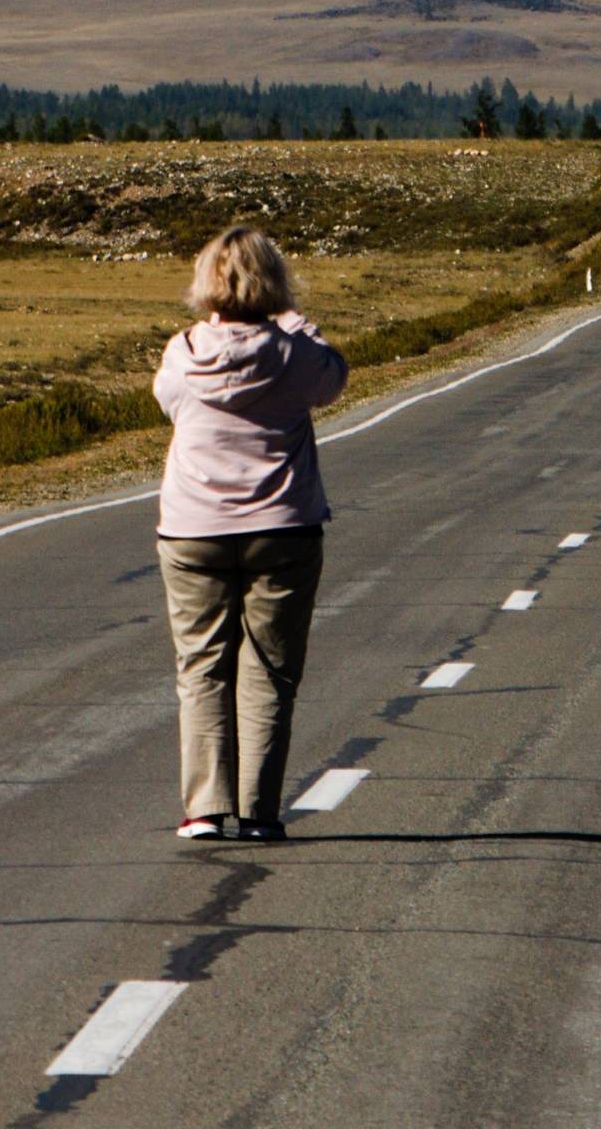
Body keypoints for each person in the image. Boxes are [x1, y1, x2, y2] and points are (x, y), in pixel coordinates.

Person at [153, 223, 348, 842]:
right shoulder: (294, 354)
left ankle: (204, 808)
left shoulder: (183, 353)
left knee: (201, 666)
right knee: (270, 670)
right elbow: (333, 378)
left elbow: (166, 401)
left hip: (192, 528)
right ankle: (259, 811)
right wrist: (298, 326)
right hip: (282, 525)